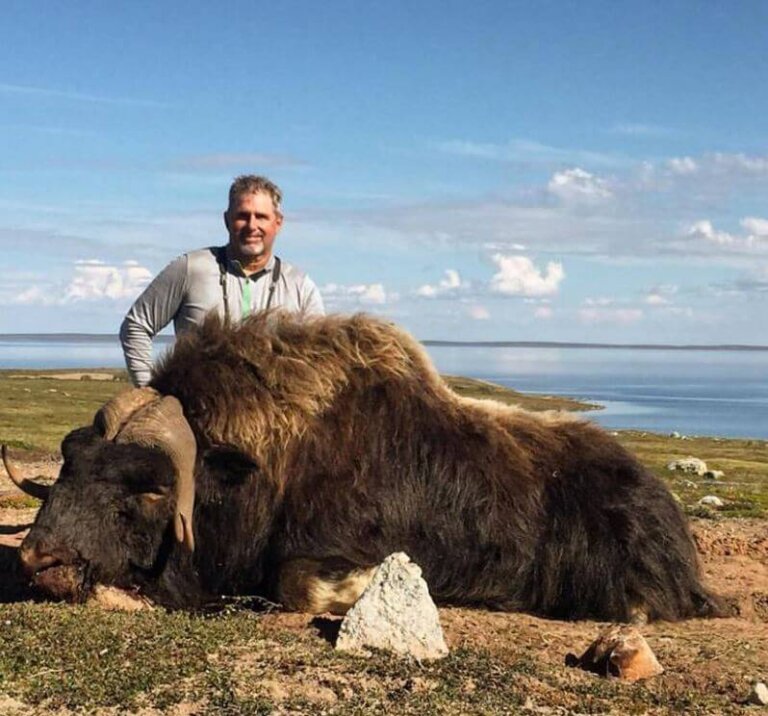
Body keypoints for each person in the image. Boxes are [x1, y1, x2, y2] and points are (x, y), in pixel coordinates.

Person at [120, 175, 324, 387]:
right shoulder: (191, 269)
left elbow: (322, 361)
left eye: (261, 217)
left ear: (278, 223)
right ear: (227, 220)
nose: (251, 225)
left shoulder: (300, 286)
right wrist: (151, 395)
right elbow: (136, 327)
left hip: (274, 417)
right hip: (195, 414)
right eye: (243, 216)